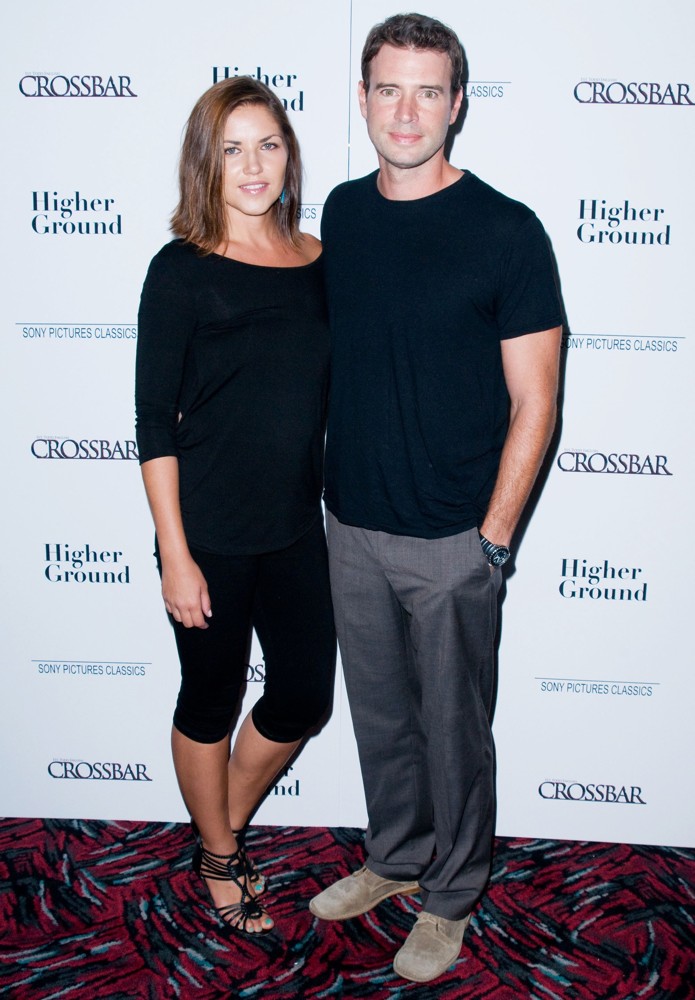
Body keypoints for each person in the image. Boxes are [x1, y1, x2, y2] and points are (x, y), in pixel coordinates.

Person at [309, 12, 563, 984]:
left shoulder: (505, 231)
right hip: (352, 526)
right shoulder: (341, 211)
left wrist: (491, 541)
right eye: (386, 88)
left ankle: (449, 896)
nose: (404, 110)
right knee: (379, 717)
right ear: (363, 98)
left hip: (454, 537)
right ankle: (395, 856)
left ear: (457, 104)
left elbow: (535, 401)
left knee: (454, 732)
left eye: (426, 90)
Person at [135, 76, 335, 936]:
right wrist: (174, 553)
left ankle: (218, 831)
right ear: (204, 164)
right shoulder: (179, 271)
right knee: (209, 698)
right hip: (208, 533)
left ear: (289, 154)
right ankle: (220, 857)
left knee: (300, 696)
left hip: (295, 527)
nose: (252, 165)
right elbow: (154, 424)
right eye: (231, 148)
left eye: (267, 144)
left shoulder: (322, 258)